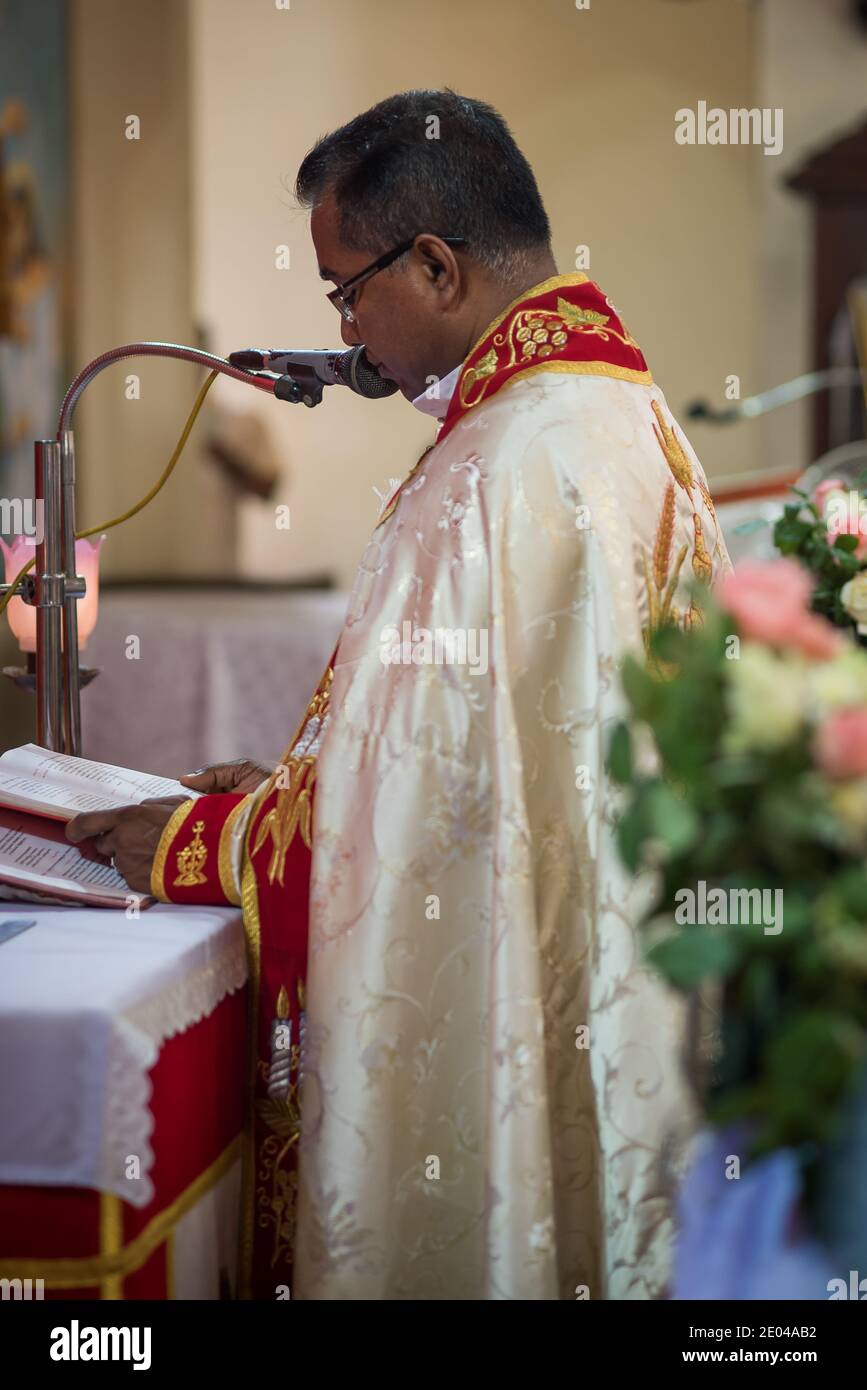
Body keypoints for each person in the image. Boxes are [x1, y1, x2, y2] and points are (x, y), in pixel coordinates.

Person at [67, 89, 731, 1300]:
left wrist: (206, 843)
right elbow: (489, 780)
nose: (346, 328)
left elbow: (439, 840)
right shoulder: (609, 417)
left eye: (345, 289)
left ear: (434, 264)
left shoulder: (506, 465)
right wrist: (290, 790)